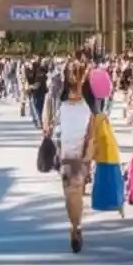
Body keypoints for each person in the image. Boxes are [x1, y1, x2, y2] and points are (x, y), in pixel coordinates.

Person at [45, 60, 95, 253]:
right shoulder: (59, 98)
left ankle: (76, 227)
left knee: (75, 192)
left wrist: (88, 157)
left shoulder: (89, 99)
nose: (74, 75)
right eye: (71, 72)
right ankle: (75, 224)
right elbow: (49, 120)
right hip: (64, 152)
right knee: (70, 195)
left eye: (77, 72)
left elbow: (92, 130)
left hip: (79, 154)